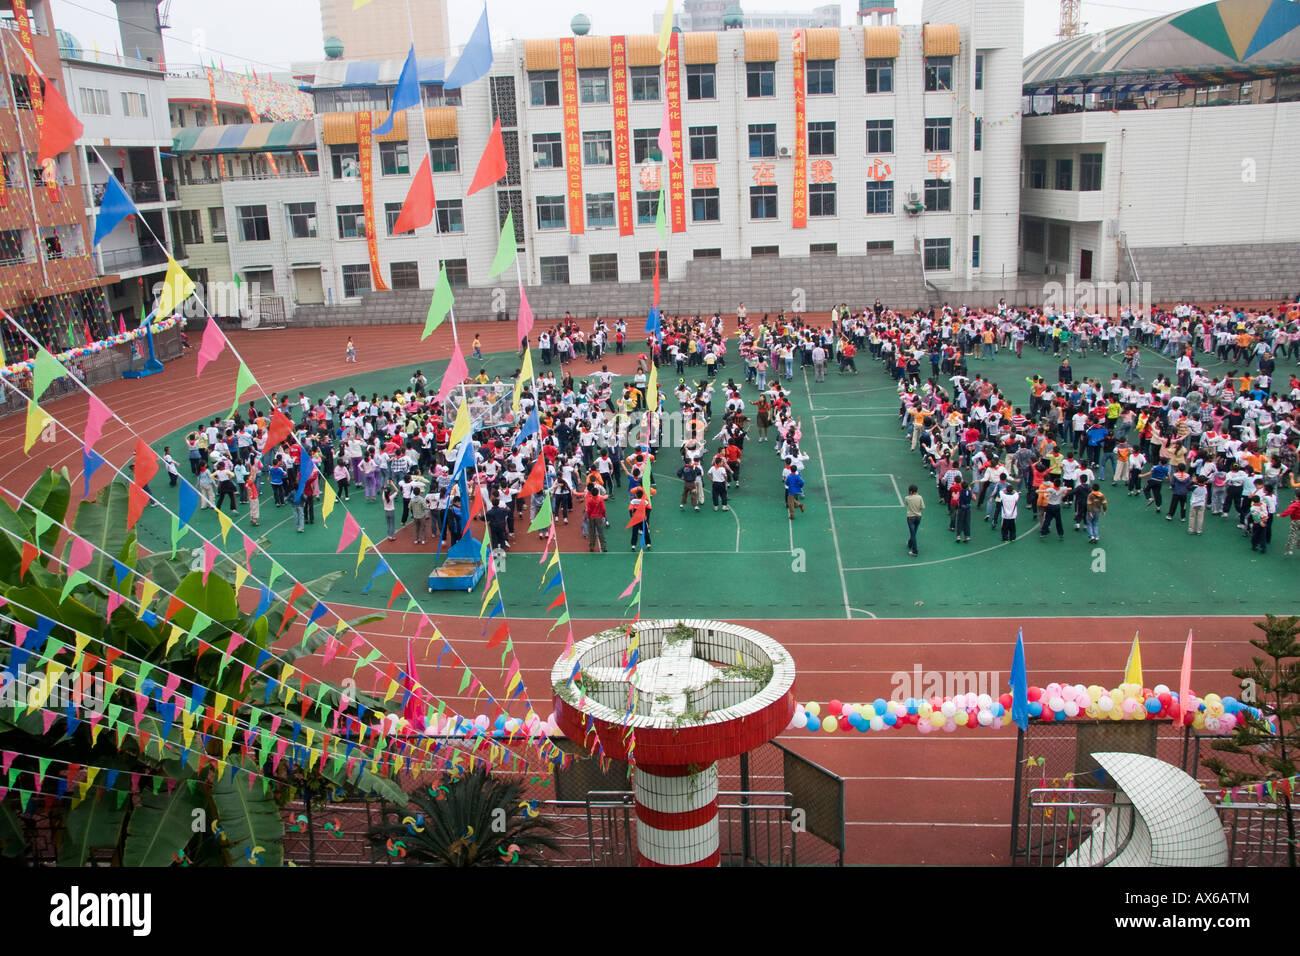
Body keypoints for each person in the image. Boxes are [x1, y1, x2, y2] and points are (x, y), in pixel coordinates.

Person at [904, 484, 924, 556]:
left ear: (911, 491)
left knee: (913, 534)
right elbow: (922, 507)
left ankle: (915, 551)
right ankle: (910, 543)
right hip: (918, 516)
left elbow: (907, 504)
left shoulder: (907, 498)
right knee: (914, 532)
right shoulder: (920, 497)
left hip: (910, 517)